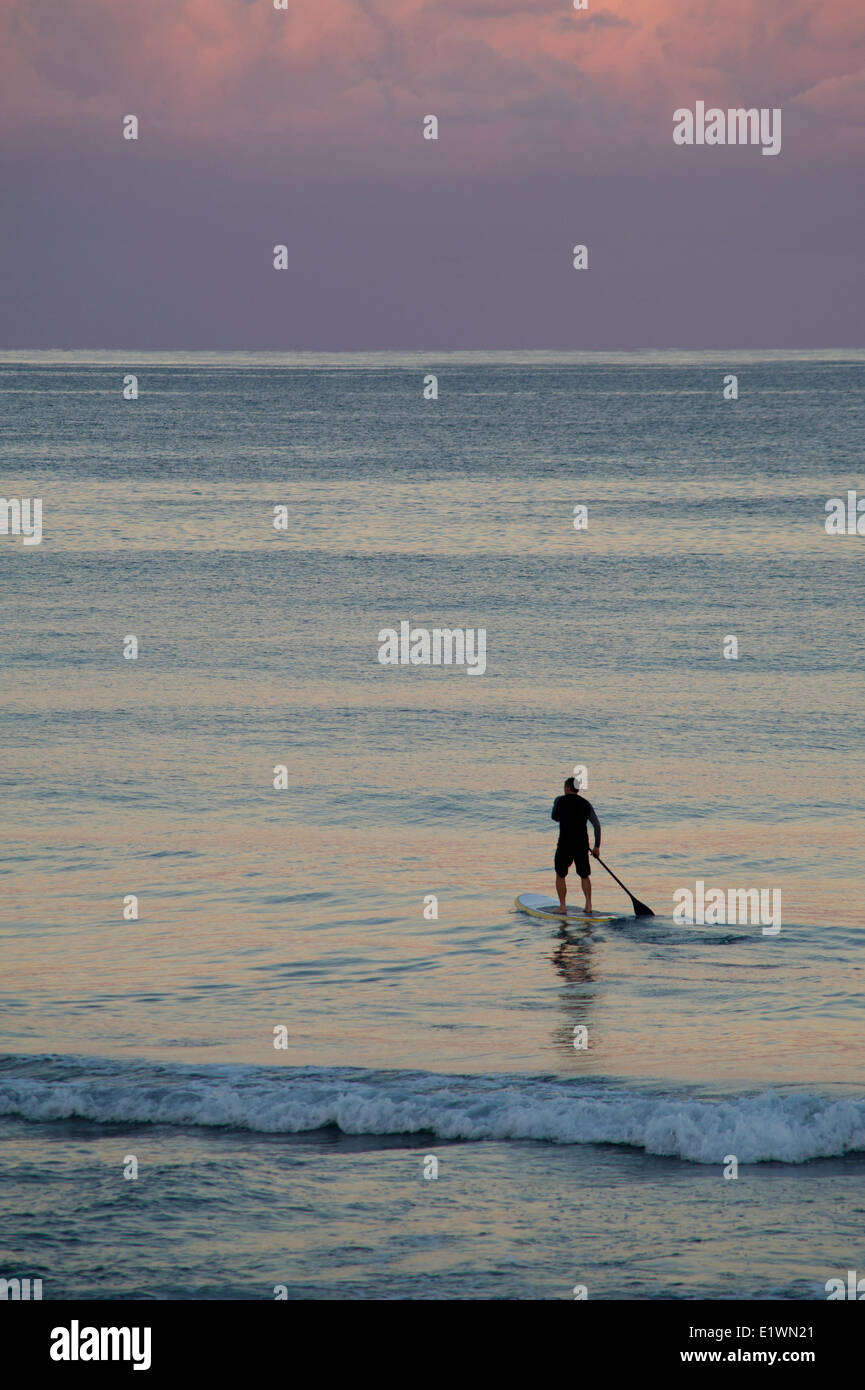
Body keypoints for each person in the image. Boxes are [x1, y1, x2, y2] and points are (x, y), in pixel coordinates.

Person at [551, 777, 601, 915]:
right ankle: (589, 906)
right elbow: (597, 826)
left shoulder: (559, 800)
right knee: (584, 875)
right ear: (577, 789)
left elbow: (554, 817)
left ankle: (562, 907)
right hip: (582, 844)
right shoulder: (586, 804)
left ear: (567, 788)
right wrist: (597, 847)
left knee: (560, 874)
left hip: (565, 844)